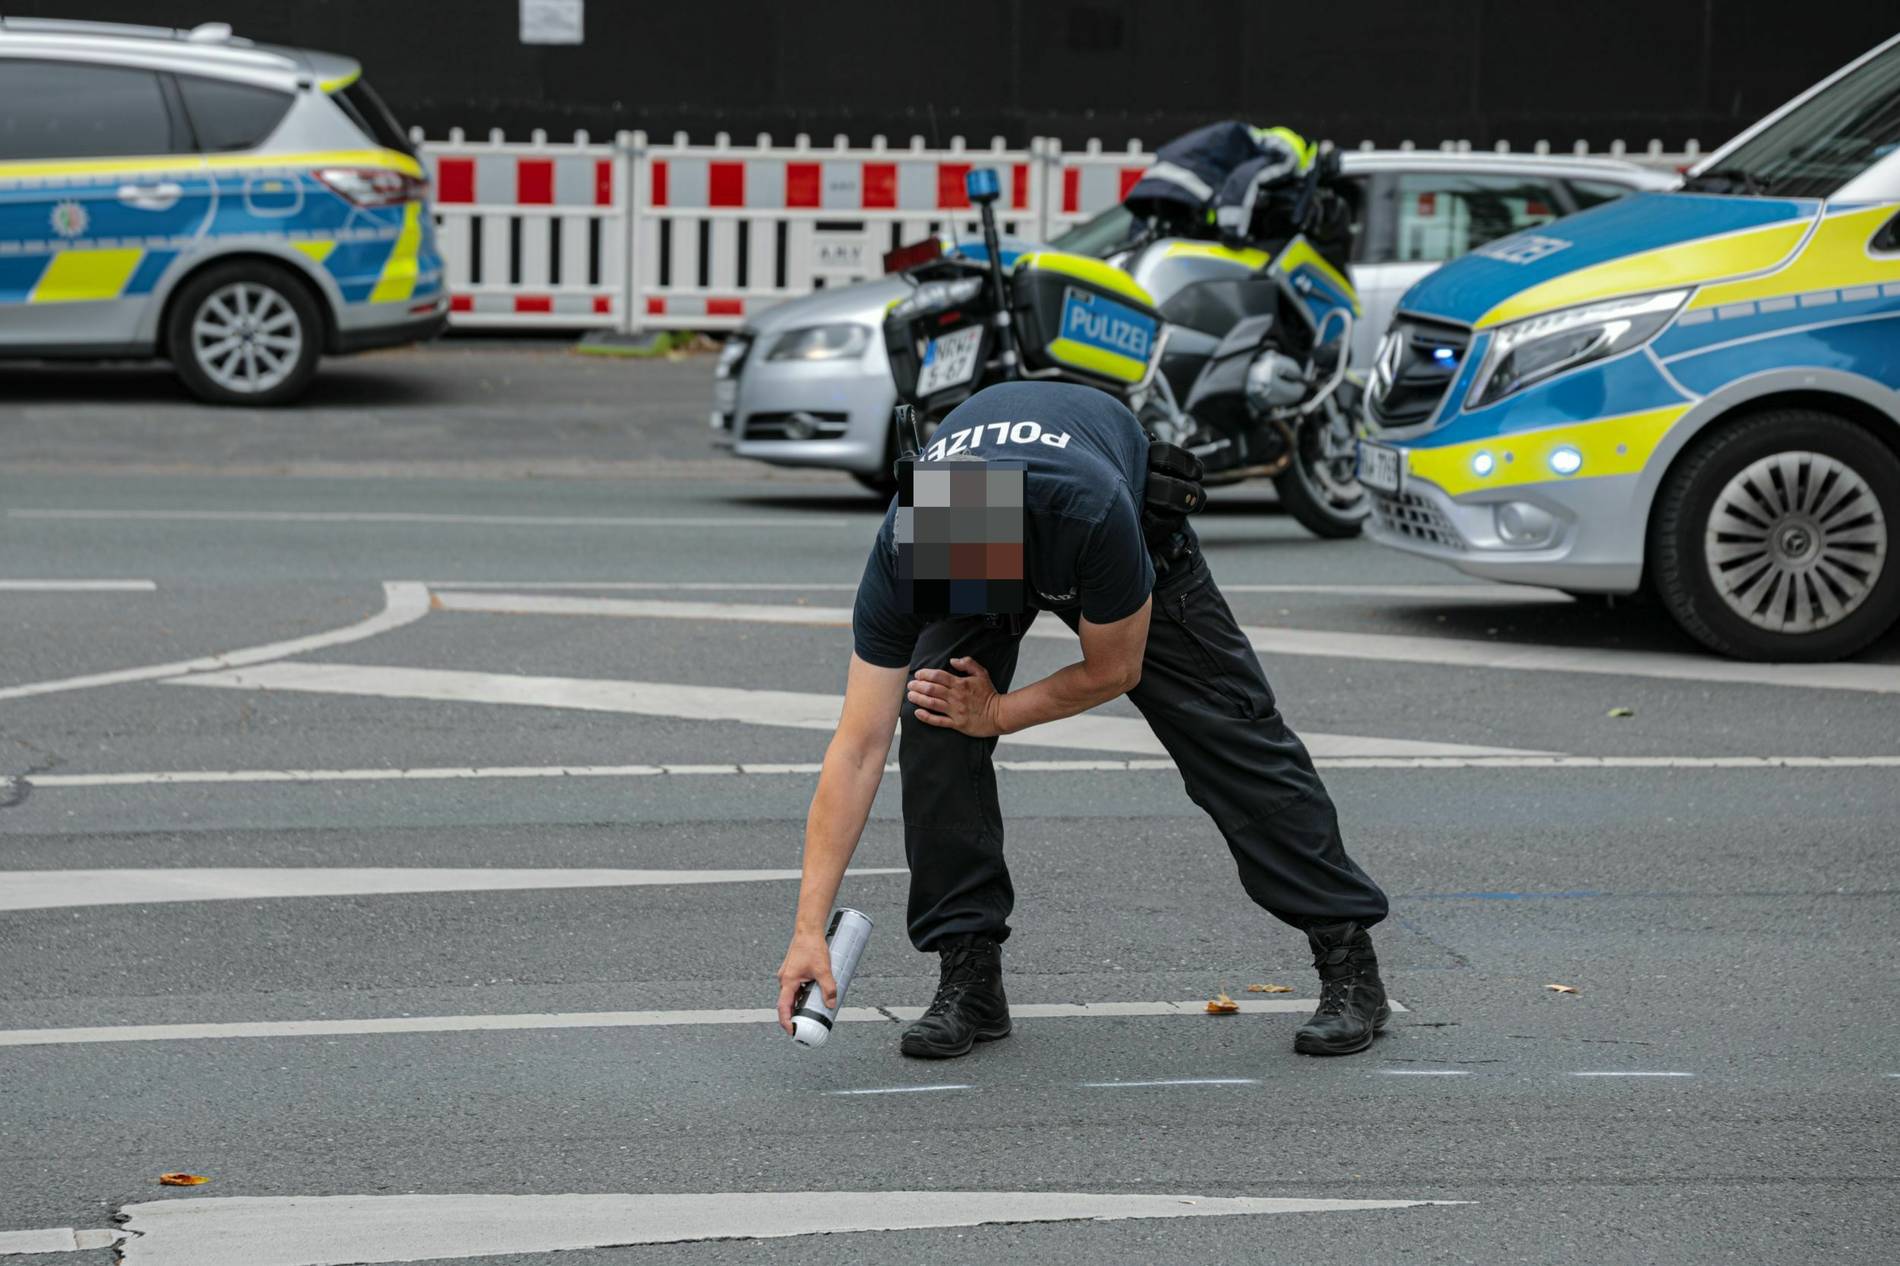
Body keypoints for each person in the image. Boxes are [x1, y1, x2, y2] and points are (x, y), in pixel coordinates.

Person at [774, 380, 1390, 1058]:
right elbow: (857, 745)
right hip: (980, 512)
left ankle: (1348, 960)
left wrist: (999, 712)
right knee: (936, 716)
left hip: (1106, 529)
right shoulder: (908, 542)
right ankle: (970, 976)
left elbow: (1114, 670)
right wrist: (808, 932)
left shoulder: (1090, 515)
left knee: (1229, 731)